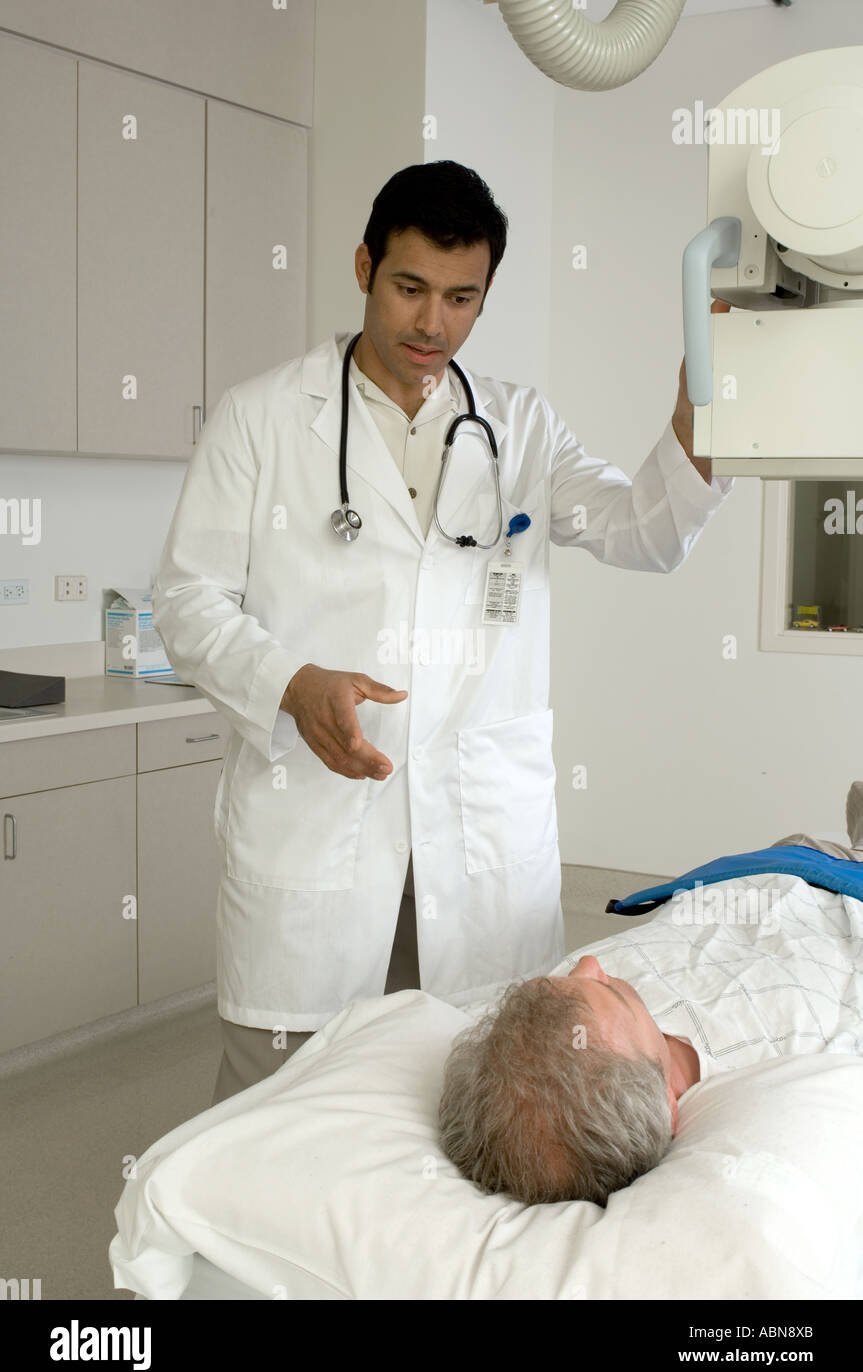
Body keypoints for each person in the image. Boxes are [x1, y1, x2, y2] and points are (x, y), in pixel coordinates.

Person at [151, 161, 734, 1108]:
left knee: (475, 1095)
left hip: (474, 834)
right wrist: (293, 681)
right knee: (285, 1101)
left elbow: (646, 533)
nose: (432, 325)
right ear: (363, 268)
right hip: (322, 824)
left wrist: (698, 406)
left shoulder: (519, 427)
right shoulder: (261, 419)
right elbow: (187, 599)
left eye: (461, 299)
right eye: (410, 289)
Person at [438, 781, 863, 1207]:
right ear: (666, 1103)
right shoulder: (800, 1068)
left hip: (767, 869)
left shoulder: (558, 1039)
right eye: (614, 993)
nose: (590, 966)